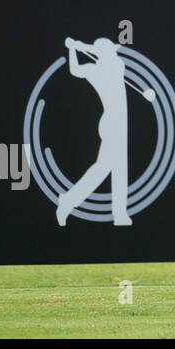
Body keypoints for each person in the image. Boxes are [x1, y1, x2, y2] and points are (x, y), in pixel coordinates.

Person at [57, 37, 133, 226]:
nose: (115, 53)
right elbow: (75, 70)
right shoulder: (98, 69)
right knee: (104, 168)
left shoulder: (115, 65)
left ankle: (120, 213)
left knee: (118, 168)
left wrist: (76, 47)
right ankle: (68, 201)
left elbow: (81, 67)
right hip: (112, 124)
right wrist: (74, 49)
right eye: (111, 51)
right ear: (105, 53)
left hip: (119, 123)